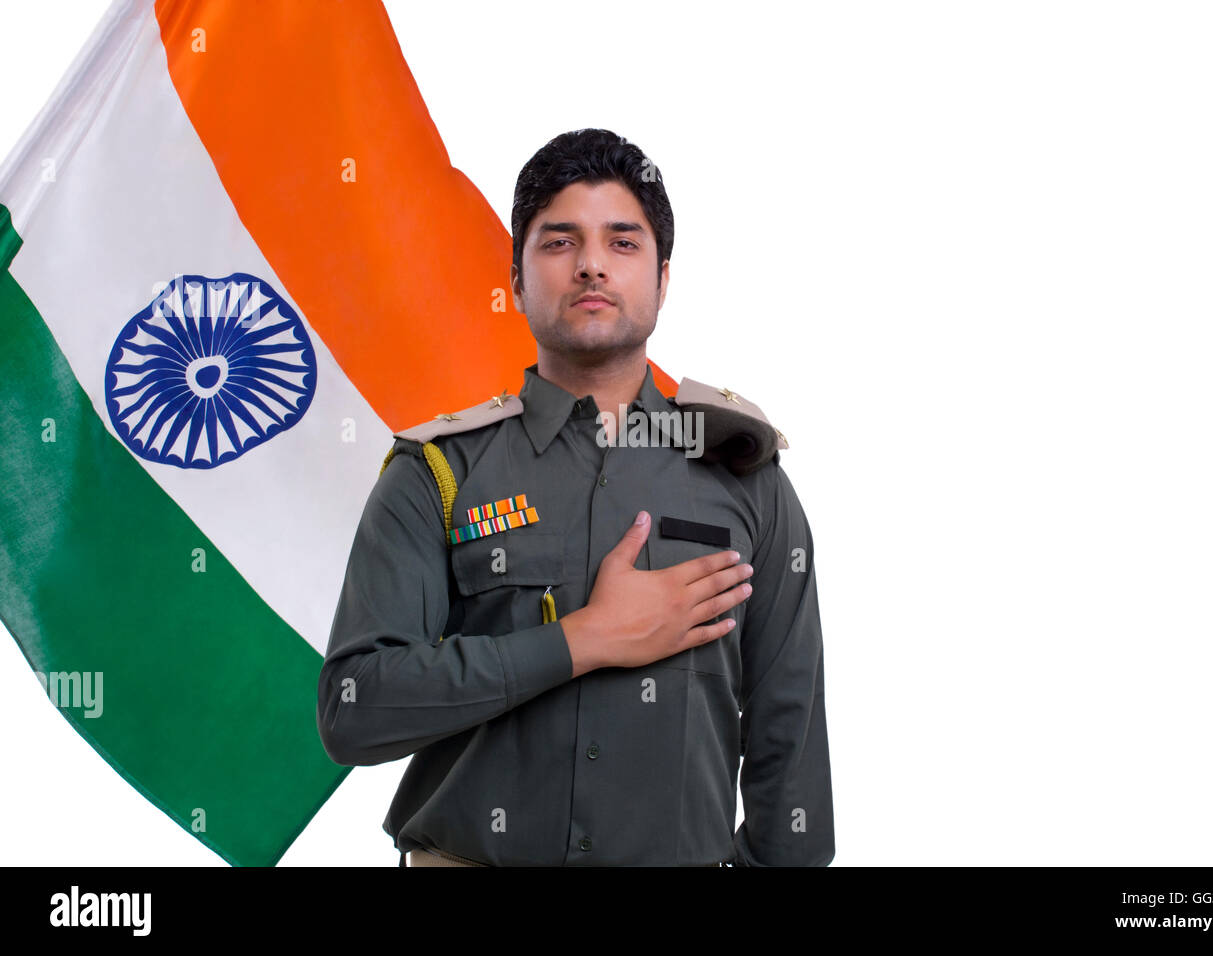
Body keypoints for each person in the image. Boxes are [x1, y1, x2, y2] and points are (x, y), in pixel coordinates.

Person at [317, 129, 833, 866]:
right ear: (518, 280)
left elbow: (791, 733)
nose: (591, 264)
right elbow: (353, 710)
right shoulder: (437, 472)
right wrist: (582, 641)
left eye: (623, 243)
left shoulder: (746, 479)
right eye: (560, 243)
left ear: (662, 279)